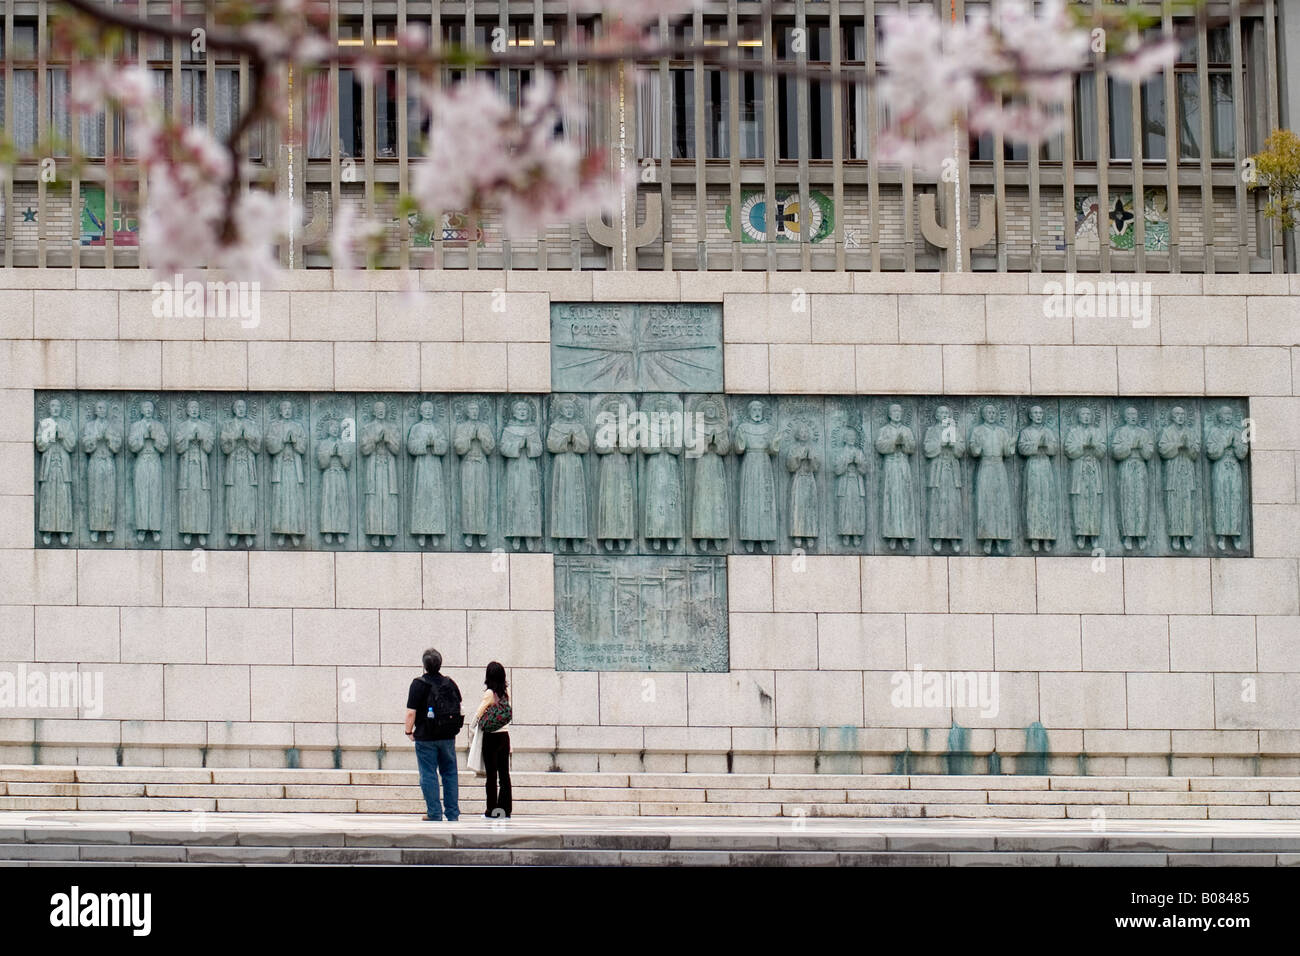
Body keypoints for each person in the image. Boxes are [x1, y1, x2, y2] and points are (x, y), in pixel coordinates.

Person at [404, 648, 463, 822]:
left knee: (428, 773)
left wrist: (409, 731)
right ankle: (452, 813)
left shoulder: (418, 684)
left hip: (425, 737)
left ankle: (434, 813)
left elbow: (410, 713)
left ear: (424, 665)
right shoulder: (449, 683)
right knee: (450, 773)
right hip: (447, 736)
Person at [472, 662, 513, 819]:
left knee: (491, 775)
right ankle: (505, 810)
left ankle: (491, 810)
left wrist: (472, 727)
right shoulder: (506, 691)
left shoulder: (490, 693)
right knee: (504, 774)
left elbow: (479, 712)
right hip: (504, 735)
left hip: (491, 737)